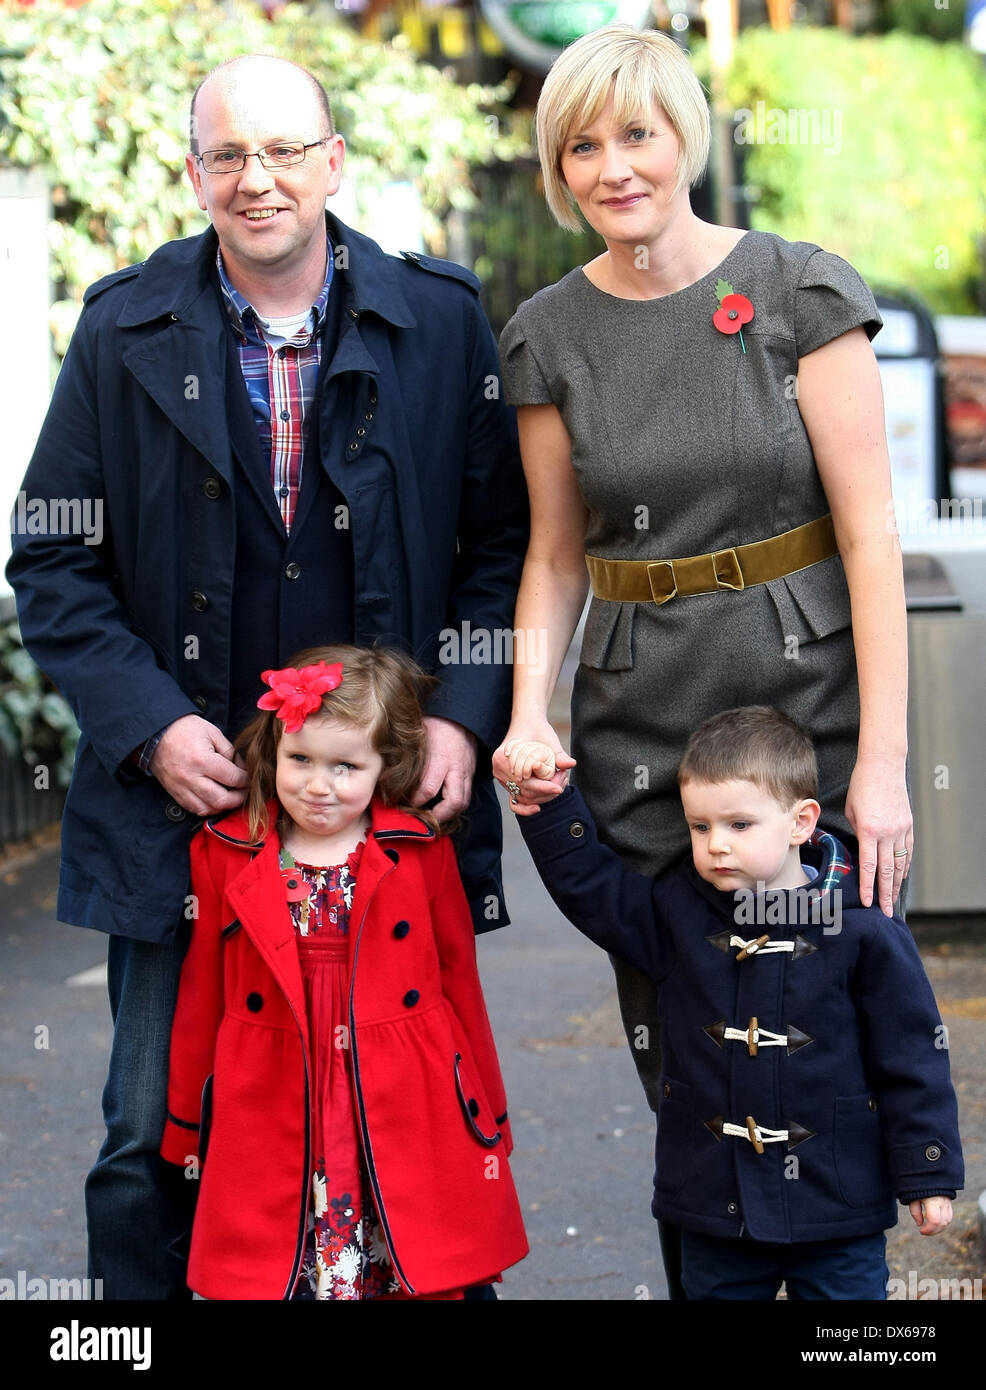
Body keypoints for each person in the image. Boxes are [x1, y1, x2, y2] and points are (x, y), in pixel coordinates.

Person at [6, 55, 527, 1299]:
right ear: (195, 174)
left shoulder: (440, 322)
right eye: (230, 155)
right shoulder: (122, 325)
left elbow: (502, 549)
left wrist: (459, 717)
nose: (259, 178)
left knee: (393, 1125)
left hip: (388, 810)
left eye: (286, 150)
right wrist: (147, 726)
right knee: (152, 1136)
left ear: (334, 161)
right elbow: (54, 550)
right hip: (173, 811)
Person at [490, 24, 911, 1294]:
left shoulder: (794, 288)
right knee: (693, 1071)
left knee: (826, 1056)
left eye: (636, 133)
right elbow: (555, 556)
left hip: (811, 722)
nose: (613, 166)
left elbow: (870, 535)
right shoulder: (547, 332)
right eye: (582, 144)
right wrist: (528, 712)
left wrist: (881, 767)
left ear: (683, 136)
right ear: (560, 169)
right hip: (642, 750)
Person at [509, 708, 962, 1300]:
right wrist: (548, 809)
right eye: (700, 828)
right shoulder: (680, 913)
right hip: (713, 1210)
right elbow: (595, 893)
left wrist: (927, 1173)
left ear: (801, 821)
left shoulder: (864, 931)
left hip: (835, 1207)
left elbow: (914, 1062)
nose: (716, 845)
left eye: (739, 826)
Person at [161, 645, 528, 1300]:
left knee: (407, 1238)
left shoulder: (419, 851)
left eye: (345, 766)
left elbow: (459, 986)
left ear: (387, 765)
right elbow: (201, 995)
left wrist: (488, 1114)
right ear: (273, 755)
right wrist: (186, 1122)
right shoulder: (223, 853)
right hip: (275, 1081)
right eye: (299, 760)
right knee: (278, 1253)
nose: (318, 785)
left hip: (397, 1081)